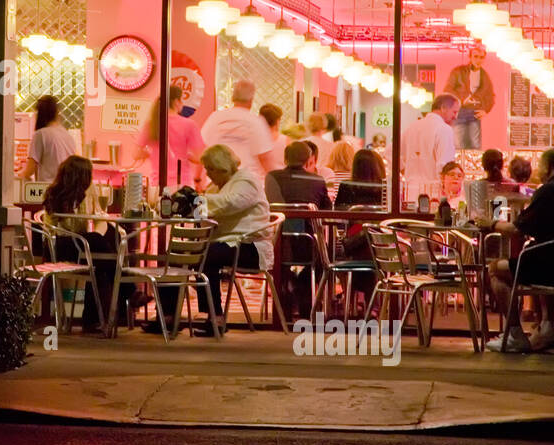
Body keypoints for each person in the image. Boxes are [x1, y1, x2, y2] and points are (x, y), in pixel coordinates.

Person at [478, 148, 554, 353]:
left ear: (549, 167)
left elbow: (517, 229)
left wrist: (490, 224)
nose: (539, 170)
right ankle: (549, 329)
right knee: (540, 258)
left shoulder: (549, 191)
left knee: (495, 268)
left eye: (541, 166)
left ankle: (514, 334)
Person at [155, 144, 274, 337]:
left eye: (210, 168)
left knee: (206, 255)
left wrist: (199, 200)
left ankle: (215, 317)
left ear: (222, 167)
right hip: (225, 243)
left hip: (249, 246)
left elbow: (230, 203)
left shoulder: (247, 181)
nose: (208, 174)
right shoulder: (216, 185)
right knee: (175, 255)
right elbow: (206, 207)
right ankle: (166, 315)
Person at [41, 155, 126, 333]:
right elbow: (62, 228)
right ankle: (127, 291)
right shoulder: (55, 194)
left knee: (101, 259)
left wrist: (98, 231)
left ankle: (93, 319)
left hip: (80, 245)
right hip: (60, 246)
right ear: (80, 176)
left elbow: (97, 216)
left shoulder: (87, 193)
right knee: (95, 244)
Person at [265, 140, 332, 321]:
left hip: (278, 243)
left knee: (285, 261)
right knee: (324, 259)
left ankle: (287, 297)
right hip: (308, 243)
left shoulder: (271, 177)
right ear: (309, 160)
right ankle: (303, 292)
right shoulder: (317, 180)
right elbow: (327, 211)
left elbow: (268, 207)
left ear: (285, 158)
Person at [334, 148, 387, 310]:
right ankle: (374, 304)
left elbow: (337, 216)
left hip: (352, 246)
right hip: (381, 248)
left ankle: (350, 298)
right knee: (372, 242)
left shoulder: (347, 186)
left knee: (348, 249)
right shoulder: (384, 188)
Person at [200, 79, 275, 182]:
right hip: (246, 183)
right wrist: (276, 184)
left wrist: (198, 178)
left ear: (233, 97)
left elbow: (202, 148)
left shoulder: (215, 117)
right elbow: (265, 159)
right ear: (251, 100)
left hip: (217, 182)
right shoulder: (256, 122)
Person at [135, 84, 203, 188]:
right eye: (181, 100)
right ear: (176, 102)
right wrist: (187, 155)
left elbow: (136, 154)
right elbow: (199, 157)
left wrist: (151, 153)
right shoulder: (189, 125)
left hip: (157, 184)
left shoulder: (152, 124)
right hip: (182, 184)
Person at [401, 93, 460, 203]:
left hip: (409, 195)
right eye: (454, 112)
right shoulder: (444, 129)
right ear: (443, 108)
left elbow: (390, 153)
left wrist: (406, 171)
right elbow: (445, 166)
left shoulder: (412, 127)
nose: (455, 117)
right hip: (432, 196)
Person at [444, 44, 495, 150]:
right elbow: (448, 90)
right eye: (476, 57)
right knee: (458, 144)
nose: (478, 60)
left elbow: (491, 95)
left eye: (481, 57)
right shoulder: (458, 72)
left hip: (474, 112)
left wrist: (486, 110)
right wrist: (462, 100)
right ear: (470, 57)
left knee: (475, 146)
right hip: (459, 111)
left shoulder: (484, 76)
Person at [21, 95, 78, 181]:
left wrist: (20, 175)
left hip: (48, 188)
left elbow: (30, 170)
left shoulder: (40, 134)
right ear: (56, 113)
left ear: (39, 114)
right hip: (66, 188)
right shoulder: (67, 135)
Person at [258, 103, 289, 172]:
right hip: (279, 180)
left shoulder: (255, 139)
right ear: (277, 121)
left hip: (258, 180)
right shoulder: (286, 140)